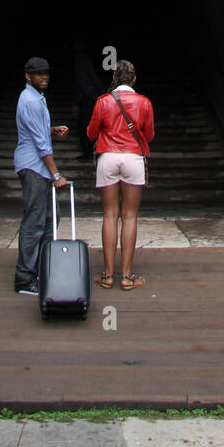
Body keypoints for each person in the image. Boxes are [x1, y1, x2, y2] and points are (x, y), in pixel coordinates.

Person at [87, 59, 154, 291]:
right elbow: (149, 134)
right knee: (130, 216)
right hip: (133, 158)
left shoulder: (103, 102)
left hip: (108, 157)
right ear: (134, 79)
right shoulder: (144, 102)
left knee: (109, 215)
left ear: (114, 78)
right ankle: (127, 276)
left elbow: (91, 132)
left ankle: (107, 275)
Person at [13, 56, 68, 295]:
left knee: (49, 220)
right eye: (38, 74)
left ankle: (41, 270)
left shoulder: (36, 99)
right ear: (28, 76)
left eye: (46, 74)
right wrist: (56, 174)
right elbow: (40, 144)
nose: (44, 78)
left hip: (38, 168)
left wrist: (51, 129)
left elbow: (36, 131)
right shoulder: (31, 101)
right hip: (34, 167)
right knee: (35, 223)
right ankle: (25, 279)